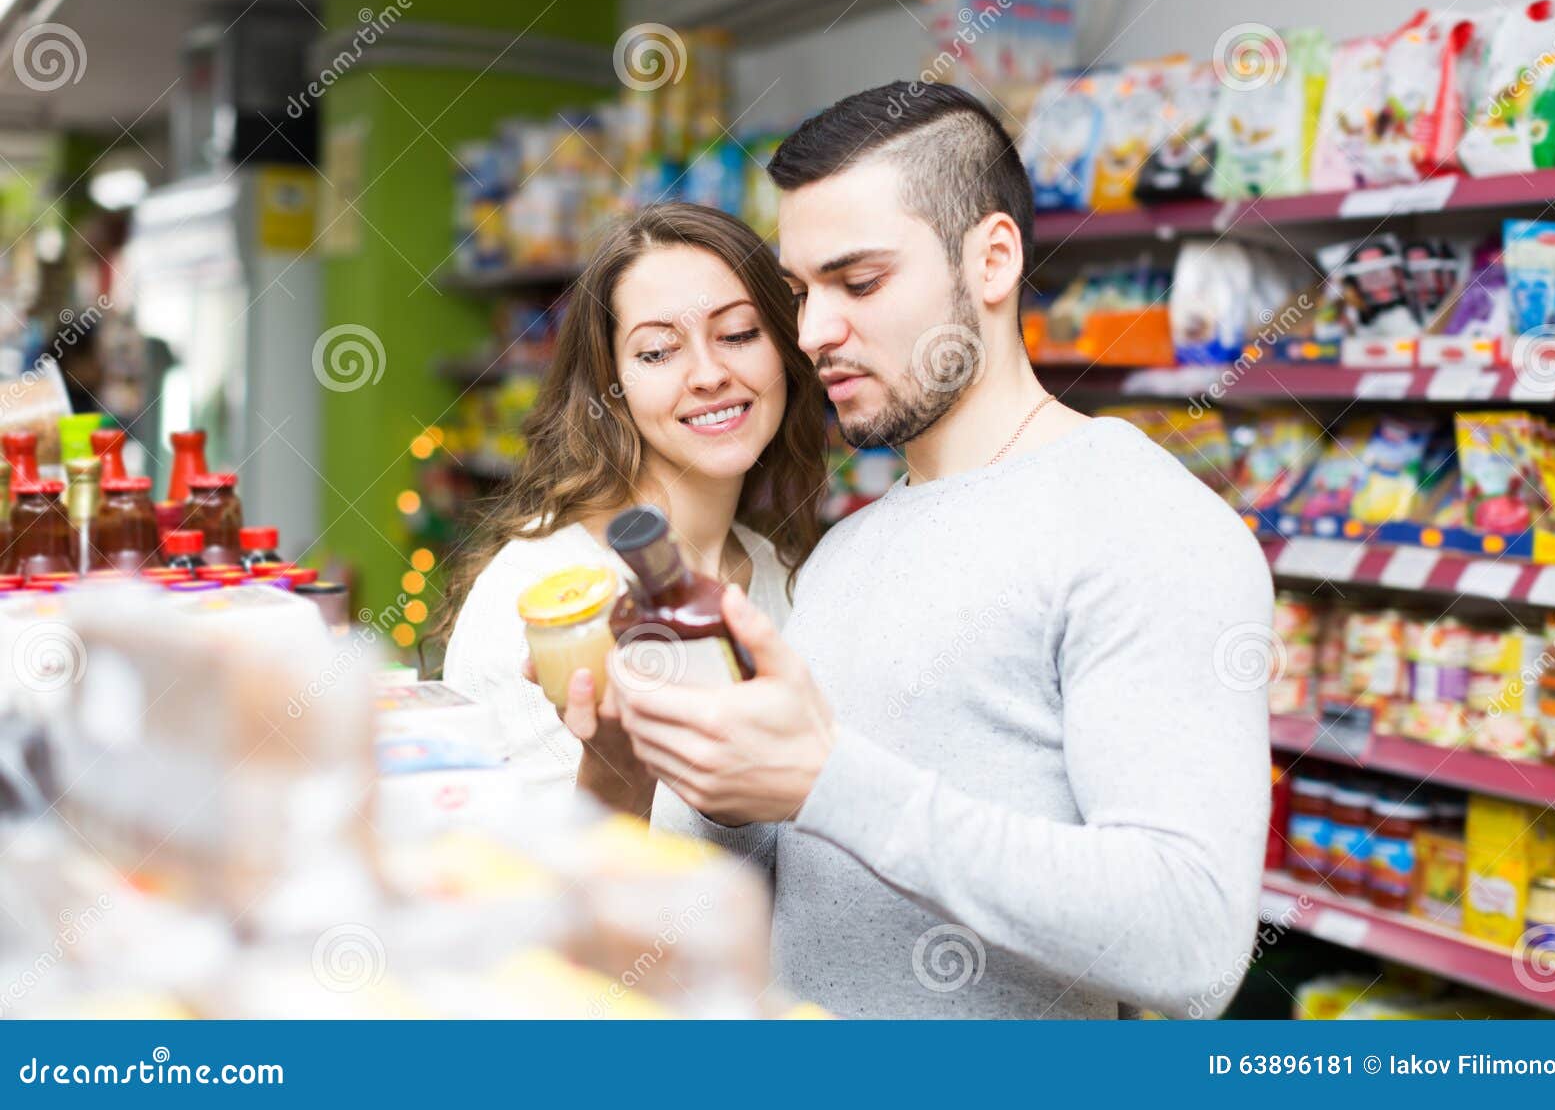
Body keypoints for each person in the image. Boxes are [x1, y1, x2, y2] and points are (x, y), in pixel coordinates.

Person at [574, 83, 1275, 1019]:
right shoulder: (846, 551)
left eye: (859, 283)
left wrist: (829, 779)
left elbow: (1192, 937)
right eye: (800, 292)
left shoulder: (1146, 526)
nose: (814, 332)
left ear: (992, 259)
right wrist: (690, 778)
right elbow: (763, 904)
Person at [436, 202, 827, 803]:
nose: (707, 373)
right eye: (657, 352)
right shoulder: (544, 600)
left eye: (739, 334)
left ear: (786, 351)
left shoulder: (786, 577)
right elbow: (532, 875)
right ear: (610, 390)